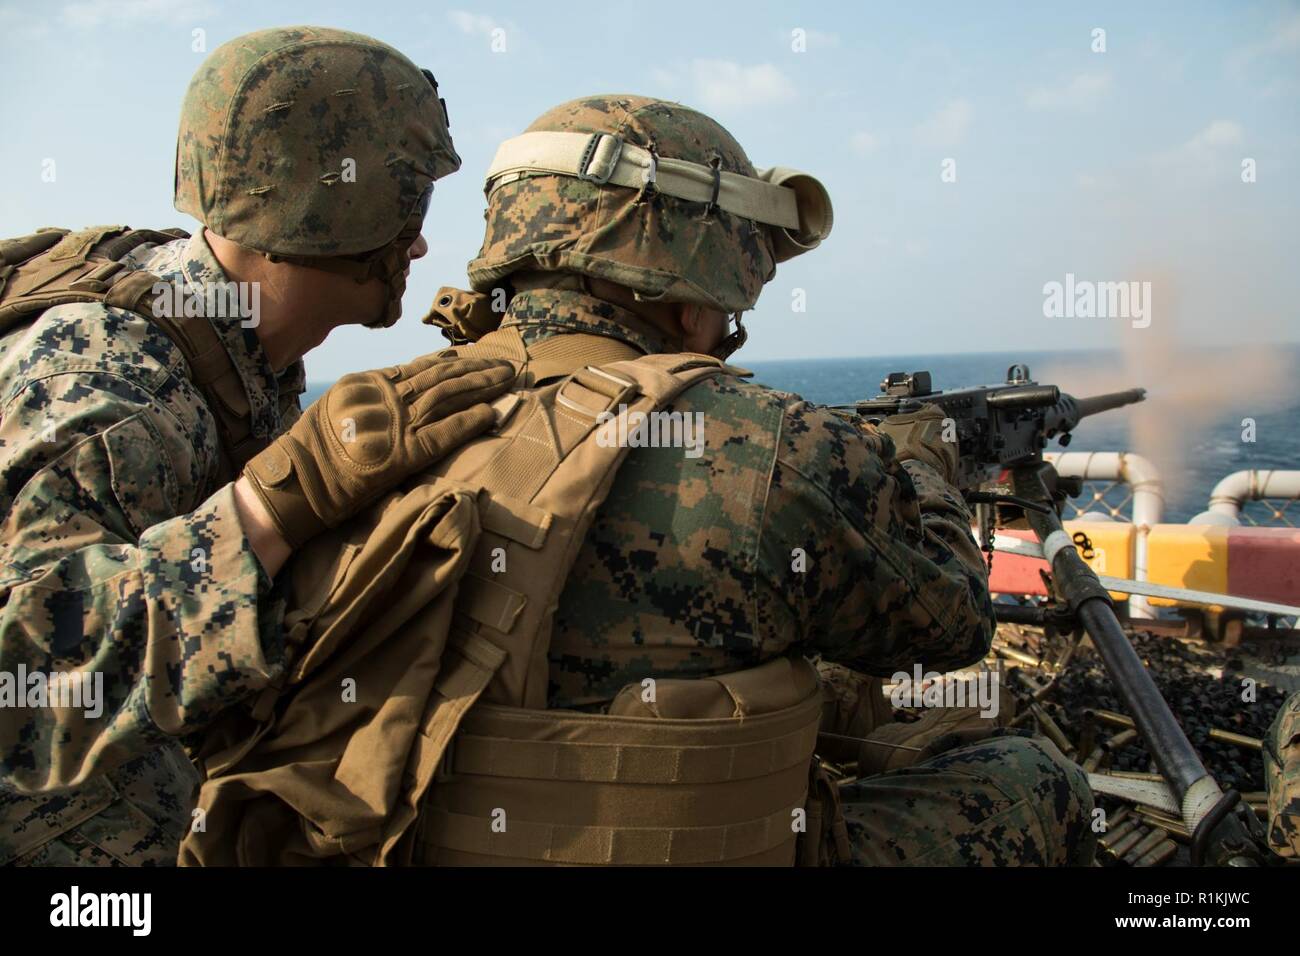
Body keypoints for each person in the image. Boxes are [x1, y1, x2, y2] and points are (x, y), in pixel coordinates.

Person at [367, 94, 1096, 865]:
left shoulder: (388, 415)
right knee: (1035, 780)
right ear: (688, 293)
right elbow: (952, 625)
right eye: (729, 306)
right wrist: (926, 470)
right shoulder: (774, 445)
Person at [0, 25, 511, 867]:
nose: (420, 243)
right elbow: (25, 689)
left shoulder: (230, 344)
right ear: (329, 204)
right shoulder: (118, 383)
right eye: (408, 203)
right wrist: (269, 510)